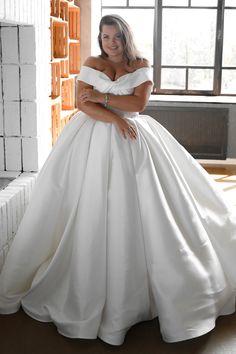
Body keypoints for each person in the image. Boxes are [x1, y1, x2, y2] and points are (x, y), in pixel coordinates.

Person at [0, 14, 236, 346]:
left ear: (126, 37)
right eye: (106, 36)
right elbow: (82, 105)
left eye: (117, 37)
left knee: (153, 208)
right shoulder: (92, 62)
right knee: (86, 203)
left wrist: (103, 100)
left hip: (135, 139)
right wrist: (112, 117)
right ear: (101, 38)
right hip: (93, 137)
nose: (111, 42)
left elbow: (138, 103)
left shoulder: (140, 64)